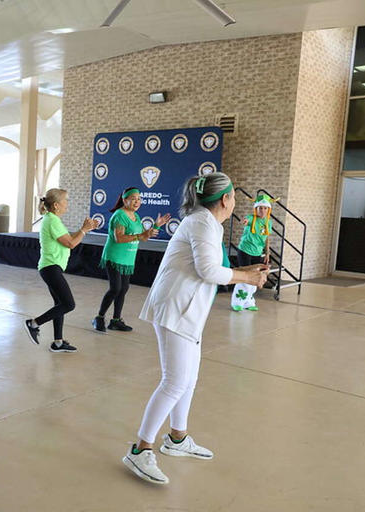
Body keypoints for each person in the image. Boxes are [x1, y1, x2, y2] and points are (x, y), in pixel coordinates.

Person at [122, 172, 268, 485]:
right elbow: (208, 270)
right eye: (233, 197)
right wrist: (247, 279)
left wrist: (244, 270)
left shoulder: (204, 222)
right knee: (174, 381)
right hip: (177, 307)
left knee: (188, 379)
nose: (235, 202)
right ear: (226, 199)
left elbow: (208, 266)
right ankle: (140, 449)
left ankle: (177, 439)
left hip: (185, 309)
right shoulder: (203, 222)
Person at [23, 189, 98, 353]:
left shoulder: (52, 219)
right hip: (51, 267)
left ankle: (58, 342)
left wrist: (85, 229)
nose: (67, 204)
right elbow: (71, 243)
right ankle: (34, 323)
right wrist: (84, 230)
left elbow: (68, 238)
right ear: (56, 205)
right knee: (68, 304)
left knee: (60, 304)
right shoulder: (52, 221)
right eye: (66, 201)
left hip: (51, 267)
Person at [93, 187, 170, 332]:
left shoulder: (136, 216)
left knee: (123, 289)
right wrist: (140, 236)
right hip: (115, 257)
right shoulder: (119, 215)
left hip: (128, 259)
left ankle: (116, 320)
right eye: (133, 198)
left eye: (139, 199)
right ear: (125, 200)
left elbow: (144, 237)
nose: (137, 201)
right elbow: (119, 237)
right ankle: (99, 318)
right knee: (115, 288)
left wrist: (155, 226)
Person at [231, 193, 276, 312]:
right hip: (245, 251)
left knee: (256, 276)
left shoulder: (268, 222)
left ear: (268, 210)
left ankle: (248, 301)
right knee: (245, 275)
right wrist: (244, 221)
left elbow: (266, 238)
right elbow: (246, 220)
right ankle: (237, 301)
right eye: (260, 208)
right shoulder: (251, 218)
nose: (262, 210)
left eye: (265, 208)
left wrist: (267, 253)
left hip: (257, 253)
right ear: (256, 209)